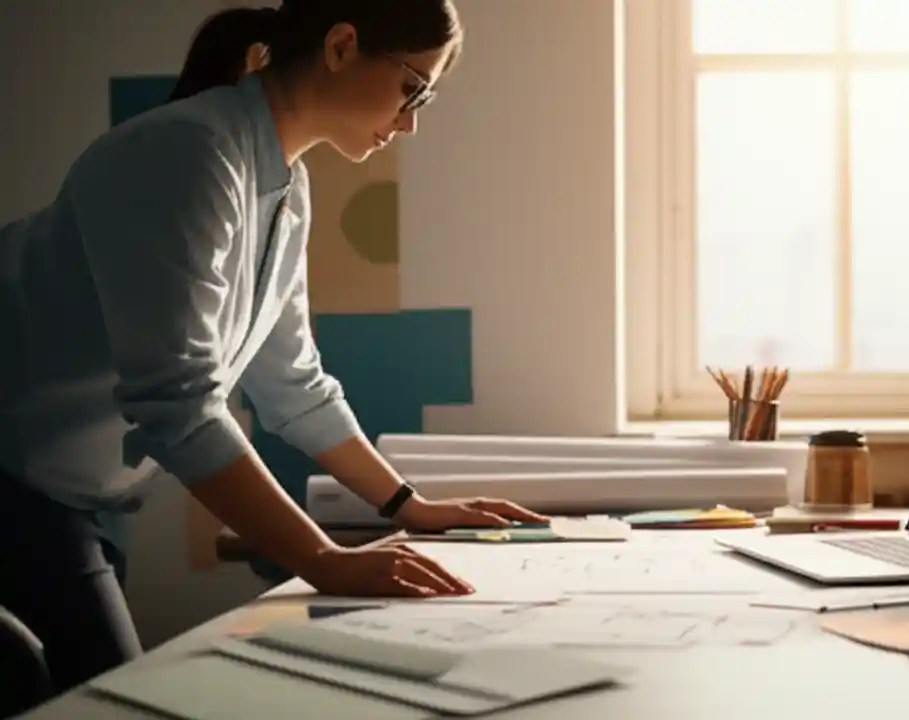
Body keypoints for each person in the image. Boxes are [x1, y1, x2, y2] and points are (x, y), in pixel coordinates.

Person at [0, 0, 547, 702]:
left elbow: (292, 384)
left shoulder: (285, 182)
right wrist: (324, 559)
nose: (411, 121)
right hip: (18, 478)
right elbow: (179, 409)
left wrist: (408, 505)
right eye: (414, 87)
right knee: (107, 701)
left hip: (80, 491)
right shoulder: (186, 152)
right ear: (343, 45)